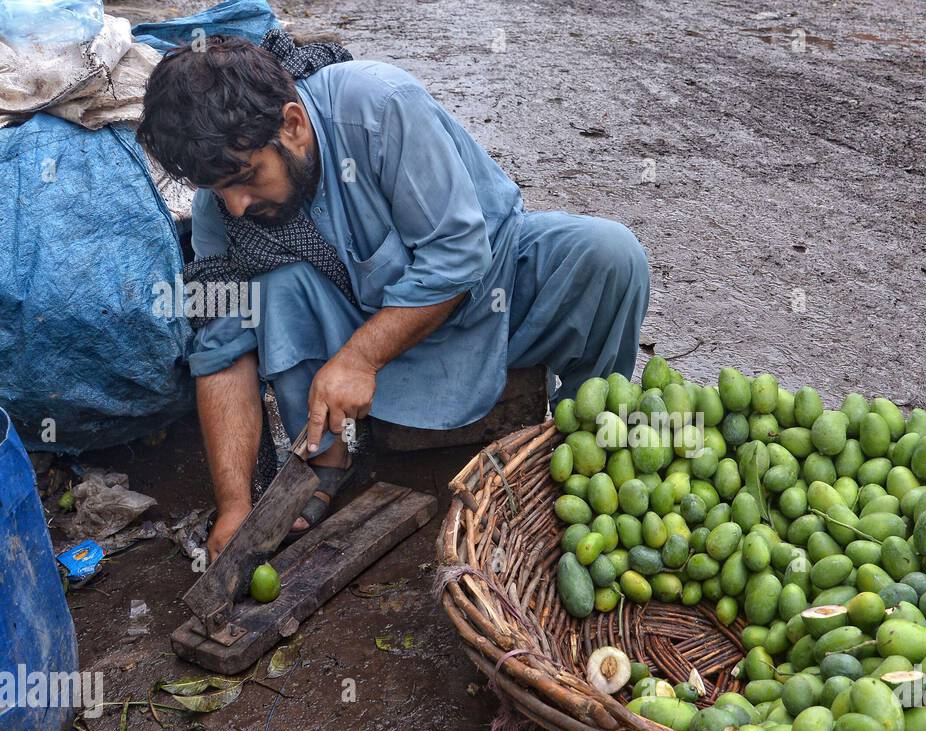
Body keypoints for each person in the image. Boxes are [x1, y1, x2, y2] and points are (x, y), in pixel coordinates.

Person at [136, 34, 648, 558]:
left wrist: (360, 358)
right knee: (272, 290)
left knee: (609, 254)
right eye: (218, 190)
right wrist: (235, 507)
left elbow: (459, 255)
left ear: (291, 125)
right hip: (365, 322)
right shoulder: (223, 208)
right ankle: (325, 460)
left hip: (491, 295)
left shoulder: (379, 106)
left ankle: (584, 446)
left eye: (246, 178)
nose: (236, 206)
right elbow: (220, 348)